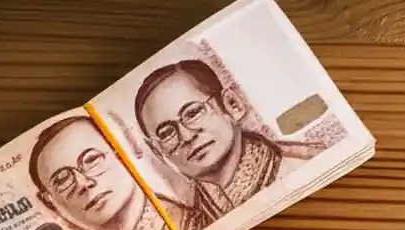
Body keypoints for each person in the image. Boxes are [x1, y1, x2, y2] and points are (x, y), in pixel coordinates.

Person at [133, 59, 325, 221]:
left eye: (192, 113)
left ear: (231, 104)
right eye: (167, 133)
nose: (187, 136)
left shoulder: (311, 167)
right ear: (159, 152)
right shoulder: (191, 228)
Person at [28, 116, 204, 230]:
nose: (83, 183)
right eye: (61, 180)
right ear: (50, 202)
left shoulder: (202, 226)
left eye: (91, 160)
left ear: (120, 153)